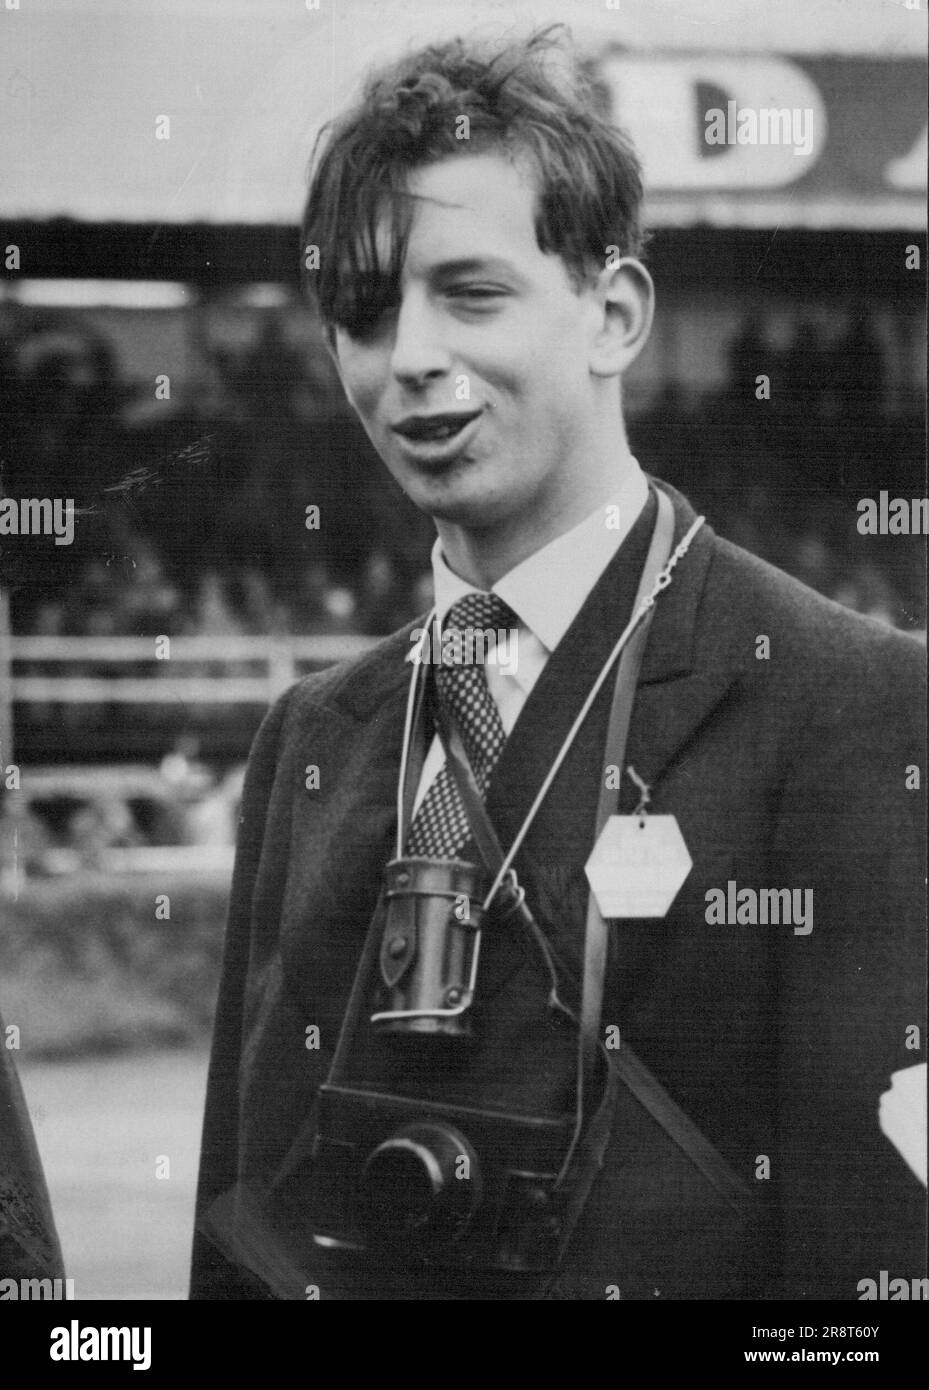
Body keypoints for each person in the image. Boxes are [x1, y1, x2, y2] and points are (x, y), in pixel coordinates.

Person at [190, 27, 925, 1301]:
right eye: (363, 315)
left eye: (471, 293)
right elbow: (236, 1221)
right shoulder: (312, 738)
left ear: (613, 313)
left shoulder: (852, 702)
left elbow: (864, 1269)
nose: (409, 354)